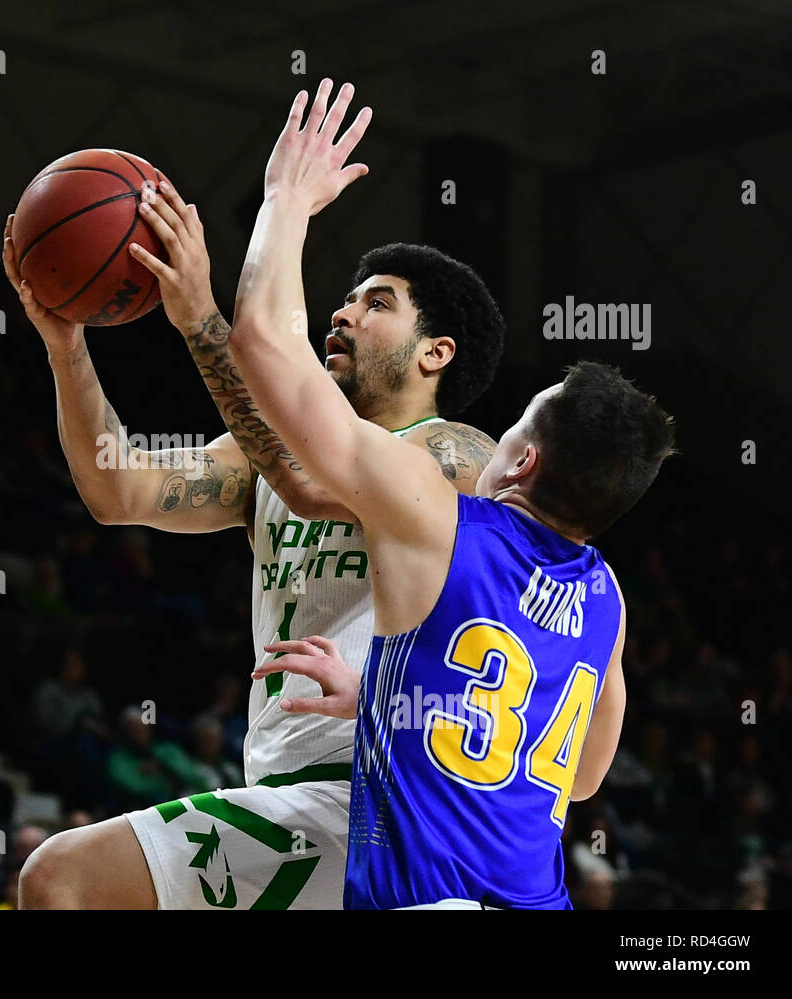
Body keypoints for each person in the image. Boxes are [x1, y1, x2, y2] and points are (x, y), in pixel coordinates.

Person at [6, 127, 505, 909]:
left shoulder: (460, 457)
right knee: (58, 880)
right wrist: (66, 345)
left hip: (381, 793)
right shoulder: (262, 461)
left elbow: (311, 475)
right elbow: (119, 490)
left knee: (59, 875)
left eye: (378, 304)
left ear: (434, 353)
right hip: (287, 791)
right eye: (345, 297)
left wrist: (200, 311)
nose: (344, 314)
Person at [234, 80, 673, 907]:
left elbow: (263, 342)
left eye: (516, 426)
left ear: (520, 465)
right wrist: (386, 696)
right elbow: (575, 777)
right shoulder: (607, 599)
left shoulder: (438, 513)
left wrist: (286, 198)